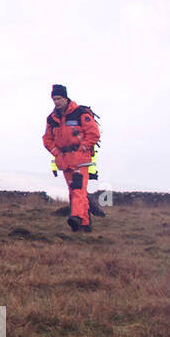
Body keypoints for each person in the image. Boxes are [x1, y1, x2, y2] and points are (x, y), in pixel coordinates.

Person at [43, 84, 101, 232]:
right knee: (74, 191)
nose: (56, 101)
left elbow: (94, 134)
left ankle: (75, 217)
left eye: (59, 98)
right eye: (54, 99)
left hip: (81, 159)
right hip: (64, 159)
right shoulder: (52, 119)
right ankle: (85, 225)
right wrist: (57, 153)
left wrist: (82, 148)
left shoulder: (80, 113)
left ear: (65, 97)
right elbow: (47, 139)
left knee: (78, 189)